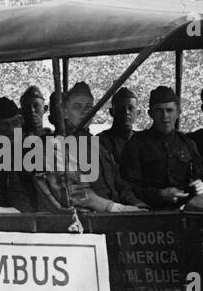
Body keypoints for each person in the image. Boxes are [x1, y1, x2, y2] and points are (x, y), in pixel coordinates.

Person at [37, 83, 144, 213]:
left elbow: (119, 182)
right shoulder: (56, 147)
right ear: (65, 112)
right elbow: (74, 193)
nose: (84, 111)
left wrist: (135, 202)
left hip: (114, 214)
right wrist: (116, 207)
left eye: (89, 107)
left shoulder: (99, 144)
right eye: (77, 107)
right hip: (88, 220)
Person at [119, 86, 203, 210]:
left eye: (169, 110)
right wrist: (160, 194)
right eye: (159, 111)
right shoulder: (136, 143)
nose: (165, 116)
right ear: (151, 114)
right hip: (150, 211)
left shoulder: (188, 143)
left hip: (186, 210)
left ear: (178, 112)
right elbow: (128, 186)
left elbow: (199, 178)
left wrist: (199, 186)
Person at [96, 87, 143, 208]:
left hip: (142, 198)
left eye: (130, 108)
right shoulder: (101, 141)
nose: (126, 112)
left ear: (138, 113)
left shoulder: (143, 141)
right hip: (113, 201)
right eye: (121, 108)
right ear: (112, 112)